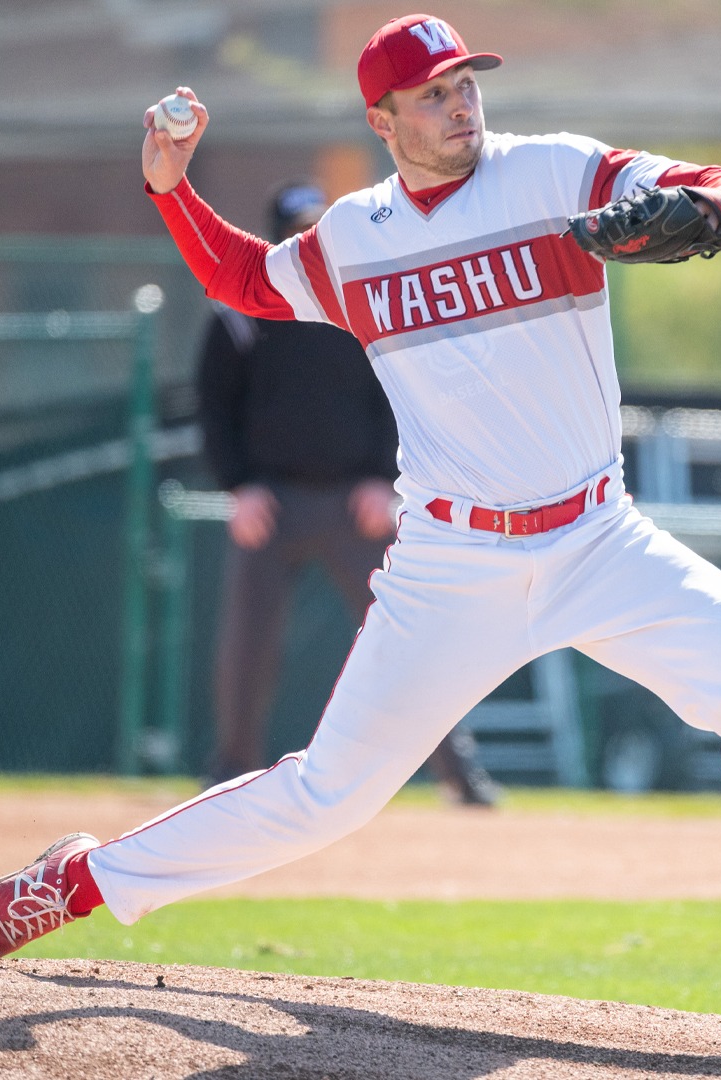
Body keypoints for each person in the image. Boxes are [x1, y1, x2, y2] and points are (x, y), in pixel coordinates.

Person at [0, 13, 721, 1050]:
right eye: (433, 92)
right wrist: (172, 190)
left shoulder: (556, 175)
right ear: (383, 119)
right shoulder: (356, 237)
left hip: (598, 540)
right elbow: (244, 282)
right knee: (327, 797)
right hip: (452, 564)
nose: (461, 100)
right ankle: (78, 882)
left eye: (467, 81)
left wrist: (701, 209)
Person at [197, 181, 497, 804]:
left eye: (316, 229)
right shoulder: (238, 315)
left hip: (356, 507)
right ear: (276, 240)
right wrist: (240, 486)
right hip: (270, 504)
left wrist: (385, 479)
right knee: (247, 646)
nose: (308, 241)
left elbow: (404, 393)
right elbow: (214, 411)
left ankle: (458, 775)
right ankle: (229, 773)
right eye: (296, 230)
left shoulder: (362, 307)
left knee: (406, 638)